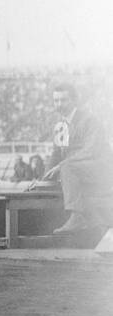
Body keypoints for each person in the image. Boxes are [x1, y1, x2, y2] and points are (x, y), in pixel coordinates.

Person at [40, 83, 113, 234]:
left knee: (66, 168)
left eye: (63, 100)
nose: (59, 104)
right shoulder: (60, 125)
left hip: (100, 168)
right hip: (77, 169)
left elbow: (91, 150)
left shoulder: (89, 120)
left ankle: (77, 217)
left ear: (74, 100)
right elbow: (55, 154)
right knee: (55, 173)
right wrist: (44, 178)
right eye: (56, 101)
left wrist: (62, 164)